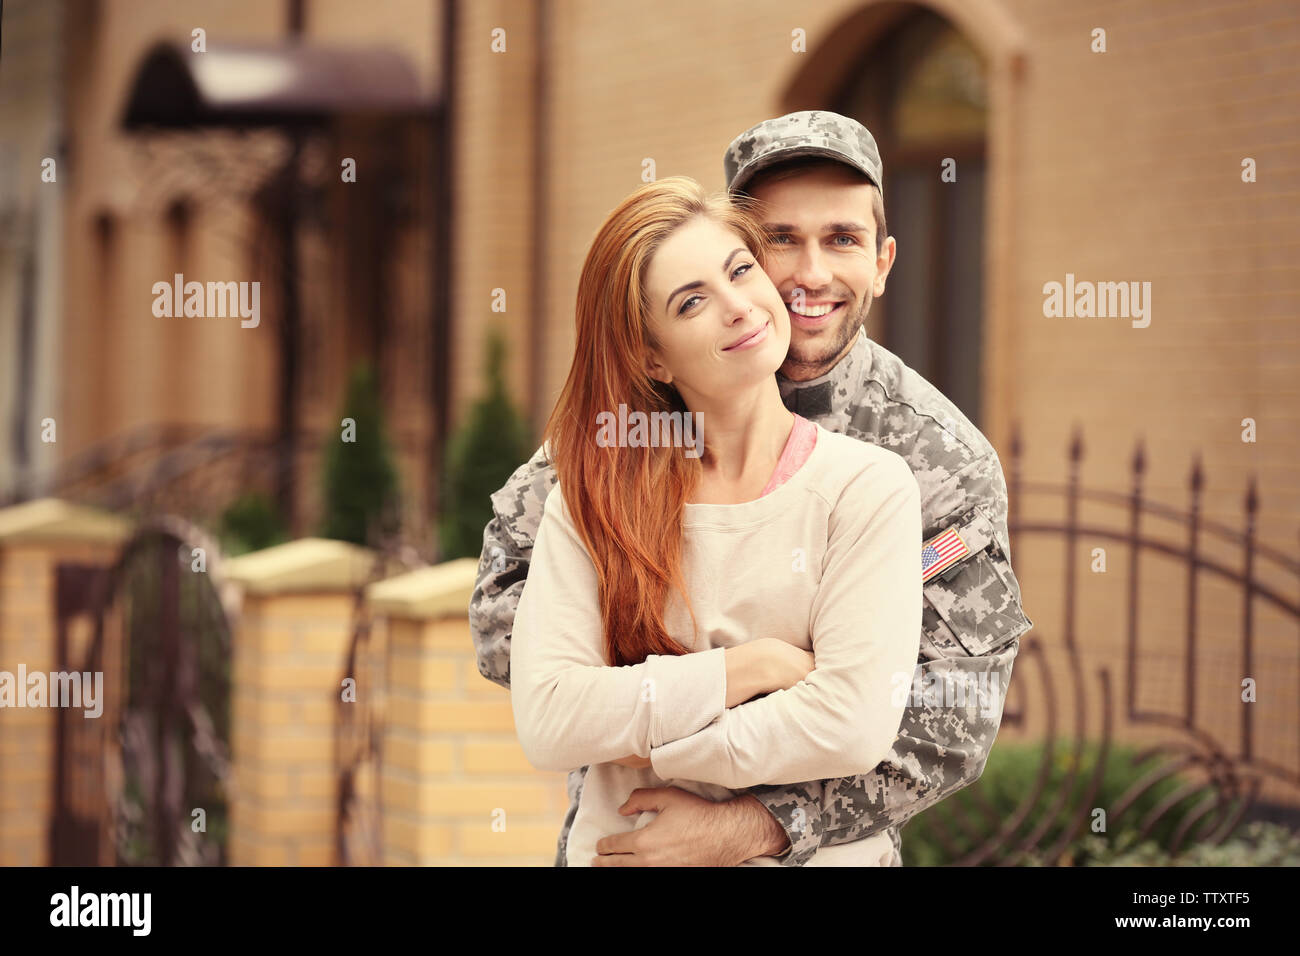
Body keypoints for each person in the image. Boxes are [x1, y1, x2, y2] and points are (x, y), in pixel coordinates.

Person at [470, 110, 1034, 866]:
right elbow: (507, 623)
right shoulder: (632, 437)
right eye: (777, 241)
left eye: (842, 239)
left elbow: (941, 719)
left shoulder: (936, 460)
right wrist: (752, 665)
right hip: (630, 839)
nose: (809, 274)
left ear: (883, 260)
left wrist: (746, 823)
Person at [508, 174, 923, 866]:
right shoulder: (593, 492)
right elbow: (549, 717)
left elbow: (852, 724)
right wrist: (746, 669)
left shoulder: (866, 488)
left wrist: (648, 740)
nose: (739, 307)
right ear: (651, 356)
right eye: (692, 301)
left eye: (741, 270)